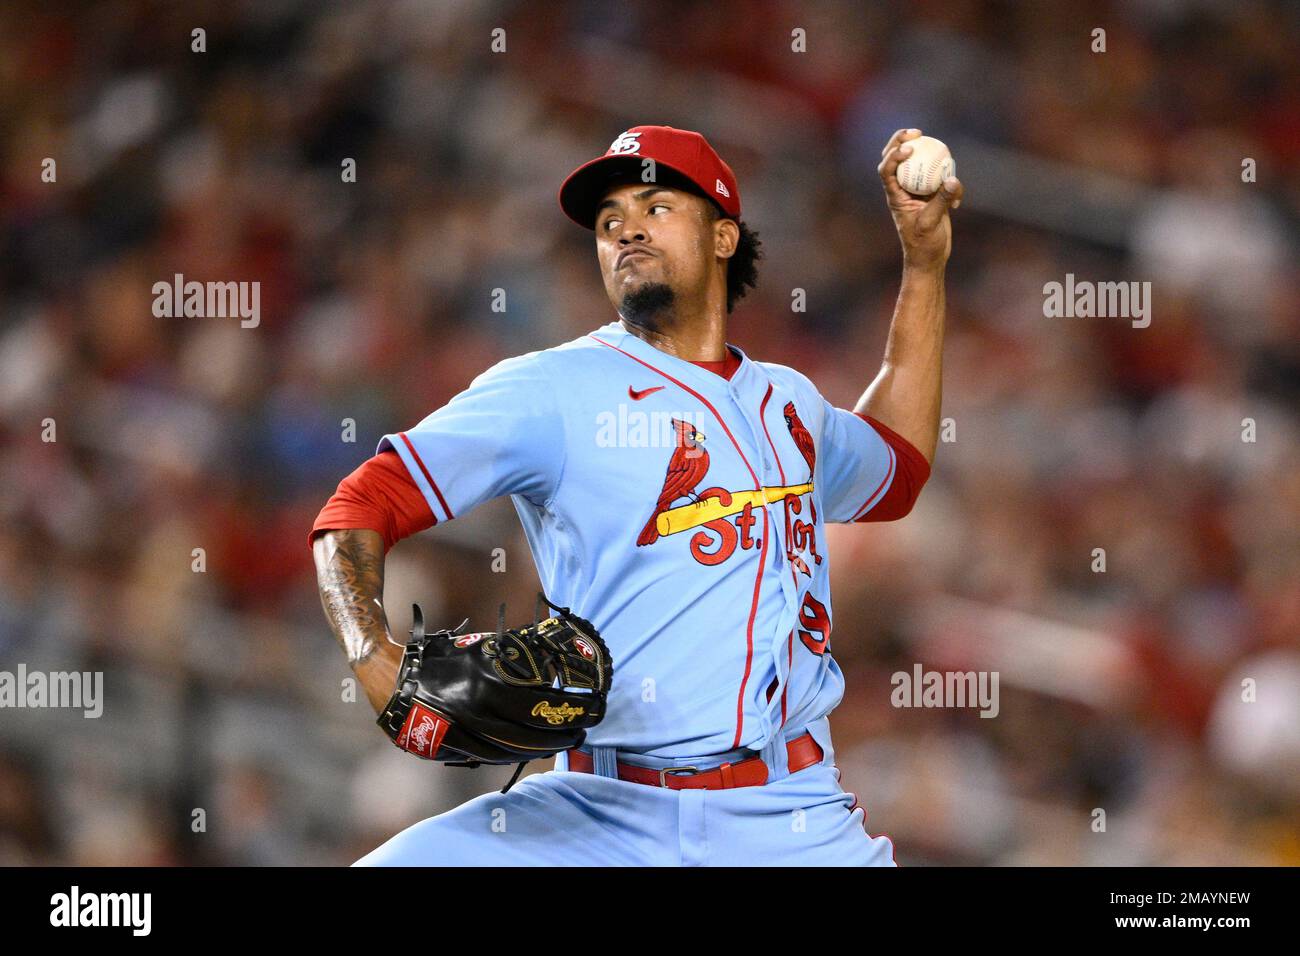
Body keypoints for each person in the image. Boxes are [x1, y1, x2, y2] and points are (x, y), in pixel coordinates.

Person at [310, 125, 961, 865]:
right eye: (610, 221)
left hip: (791, 818)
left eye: (656, 207)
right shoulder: (550, 390)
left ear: (723, 239)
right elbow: (359, 508)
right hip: (590, 815)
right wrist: (370, 651)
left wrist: (926, 263)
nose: (627, 230)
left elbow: (899, 465)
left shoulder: (793, 404)